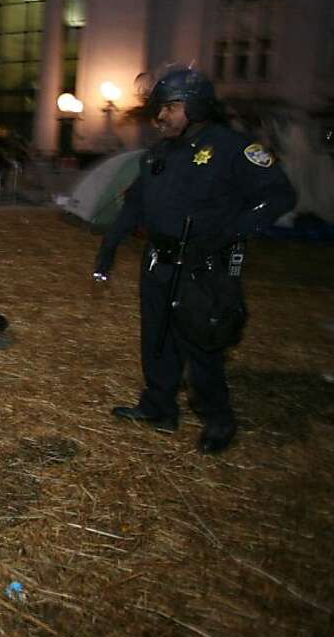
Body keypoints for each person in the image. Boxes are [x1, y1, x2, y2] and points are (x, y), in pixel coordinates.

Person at [93, 68, 295, 453]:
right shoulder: (159, 152)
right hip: (158, 261)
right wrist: (110, 245)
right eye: (160, 108)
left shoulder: (233, 148)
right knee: (157, 338)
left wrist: (232, 231)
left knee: (202, 343)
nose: (161, 116)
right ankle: (159, 407)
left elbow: (279, 196)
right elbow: (135, 202)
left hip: (204, 265)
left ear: (197, 106)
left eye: (170, 106)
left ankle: (218, 419)